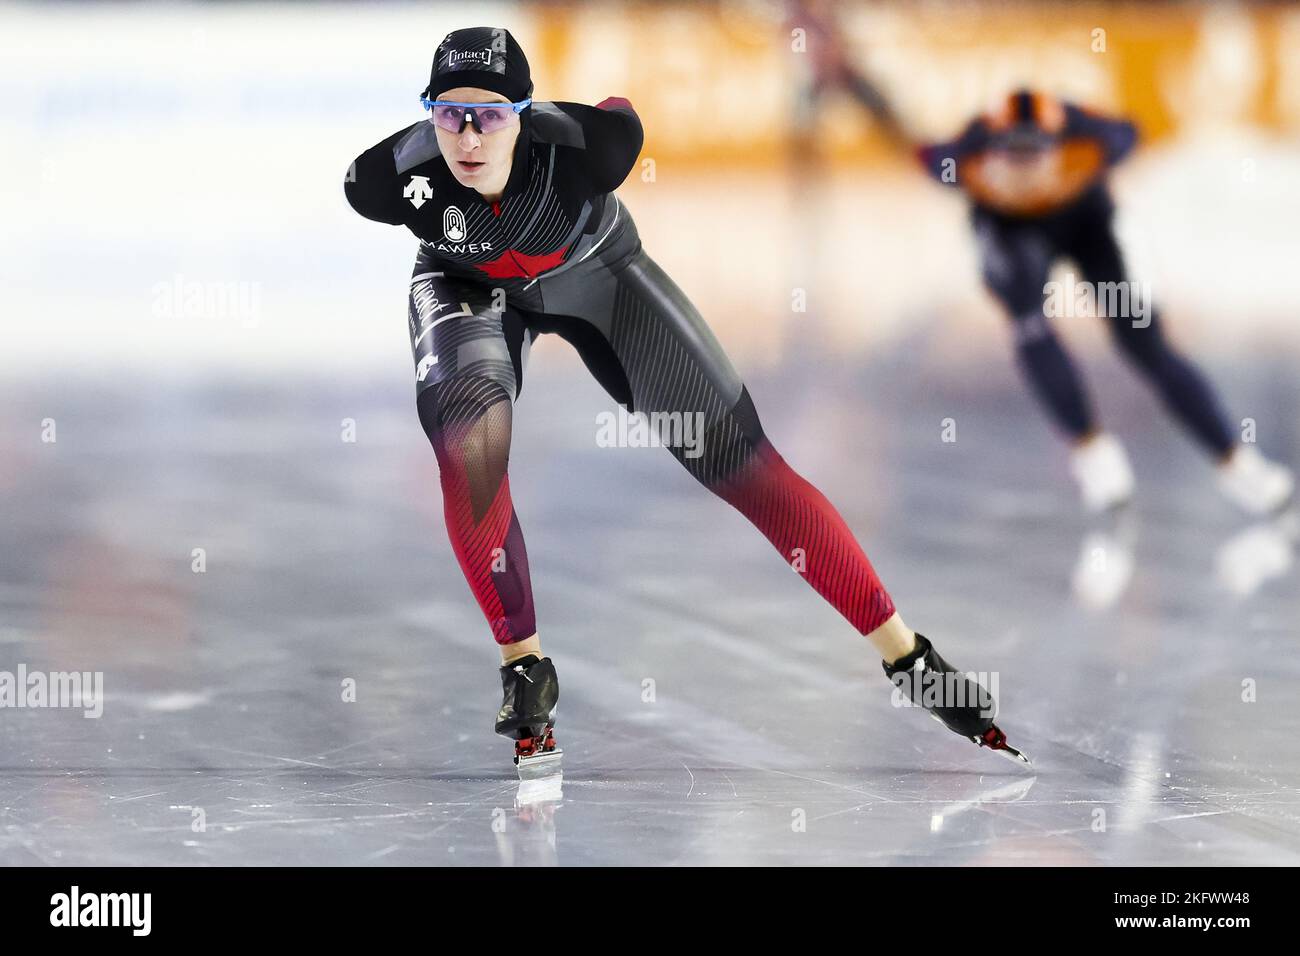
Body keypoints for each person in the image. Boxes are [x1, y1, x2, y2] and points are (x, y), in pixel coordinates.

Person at [344, 27, 1027, 773]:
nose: (469, 138)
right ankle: (524, 666)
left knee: (743, 462)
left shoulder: (586, 149)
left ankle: (908, 659)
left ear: (526, 113)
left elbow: (620, 110)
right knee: (469, 444)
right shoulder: (385, 176)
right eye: (449, 115)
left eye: (493, 116)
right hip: (465, 287)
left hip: (595, 271)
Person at [917, 90, 1294, 514]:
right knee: (1030, 325)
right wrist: (962, 177)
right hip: (1013, 232)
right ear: (994, 149)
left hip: (1085, 225)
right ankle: (1090, 449)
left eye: (1035, 151)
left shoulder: (1083, 131)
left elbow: (1128, 132)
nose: (1025, 167)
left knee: (1145, 342)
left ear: (1059, 143)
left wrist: (1108, 152)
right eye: (1013, 154)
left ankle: (1236, 461)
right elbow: (930, 159)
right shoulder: (974, 145)